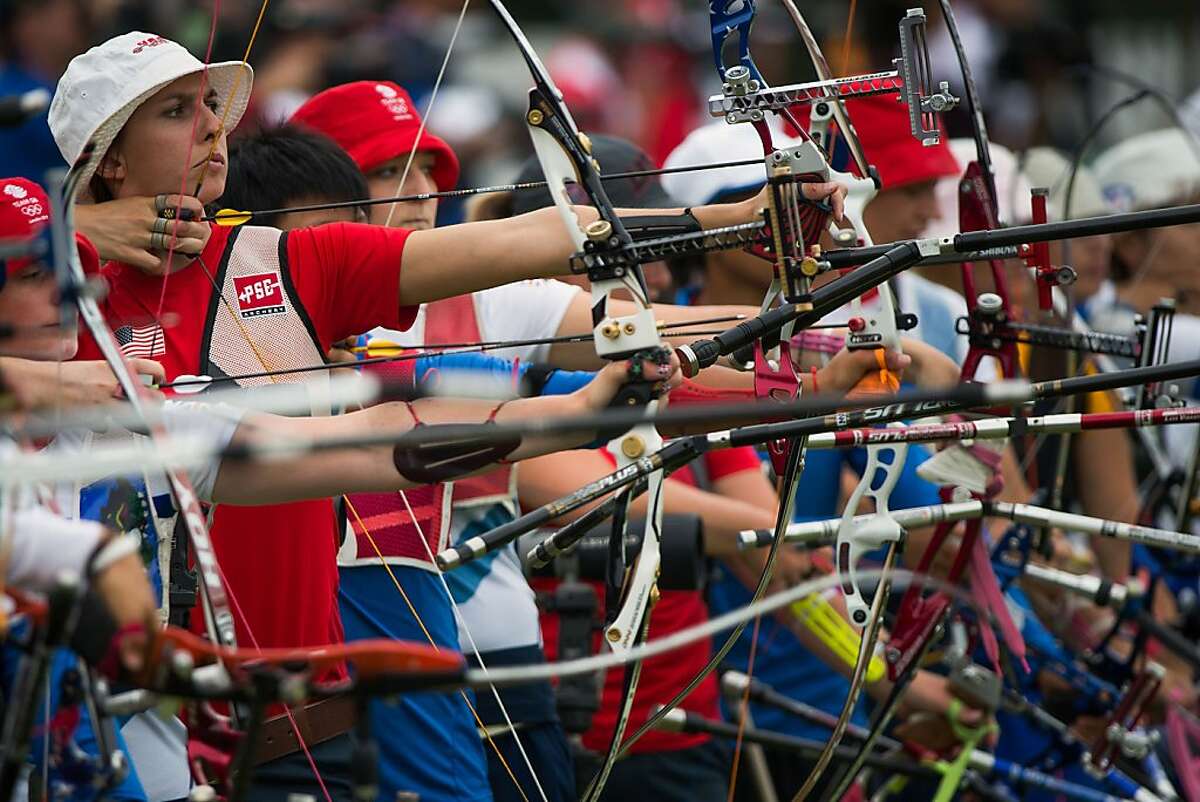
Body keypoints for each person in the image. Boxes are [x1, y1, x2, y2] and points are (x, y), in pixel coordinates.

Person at [0, 172, 693, 801]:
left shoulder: (136, 422)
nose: (65, 295)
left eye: (71, 273)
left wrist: (572, 417)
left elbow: (362, 443)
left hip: (143, 775)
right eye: (34, 274)